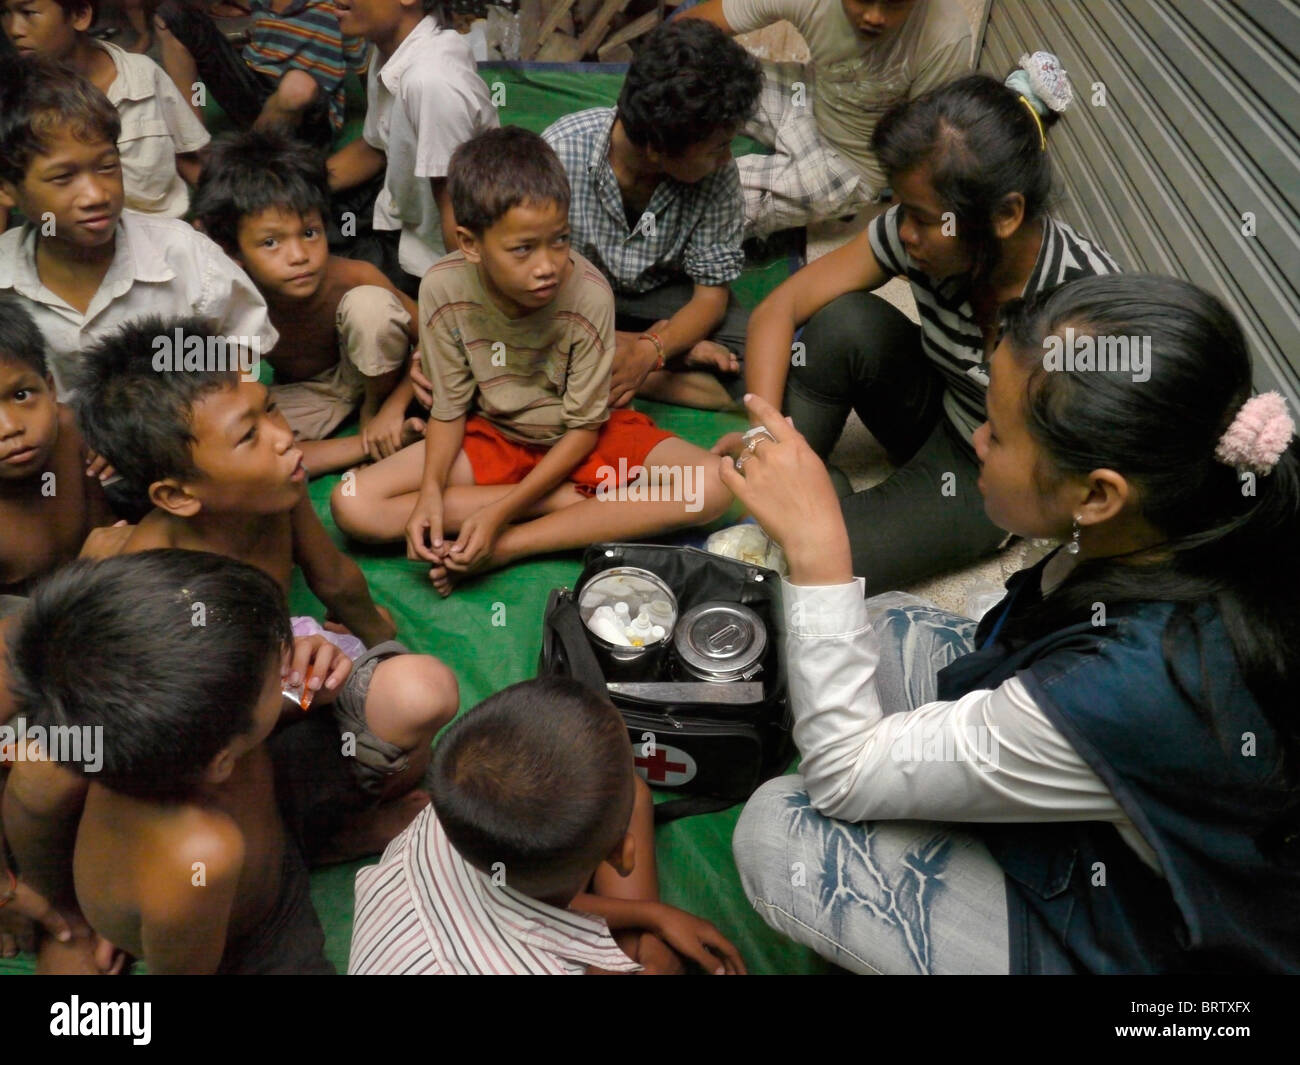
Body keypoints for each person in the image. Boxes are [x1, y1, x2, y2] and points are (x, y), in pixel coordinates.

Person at [725, 273, 1300, 973]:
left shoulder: (1137, 684)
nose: (974, 439)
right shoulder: (1200, 512)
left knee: (781, 828)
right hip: (1123, 807)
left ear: (1098, 495)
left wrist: (818, 551)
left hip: (1158, 948)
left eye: (998, 434)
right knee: (884, 622)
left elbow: (840, 776)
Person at [725, 56, 1119, 592]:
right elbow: (780, 308)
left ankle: (827, 497)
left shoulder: (1081, 312)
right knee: (844, 322)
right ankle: (804, 477)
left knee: (819, 561)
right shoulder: (920, 235)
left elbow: (1082, 472)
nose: (904, 232)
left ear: (1005, 216)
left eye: (924, 220)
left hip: (994, 466)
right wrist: (763, 437)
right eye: (901, 208)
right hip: (939, 401)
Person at [72, 317, 458, 827]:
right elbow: (194, 724)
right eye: (248, 435)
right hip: (229, 730)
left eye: (270, 408)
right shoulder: (157, 579)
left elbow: (334, 578)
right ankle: (334, 834)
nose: (283, 438)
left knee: (417, 707)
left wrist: (381, 643)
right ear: (178, 495)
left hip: (281, 662)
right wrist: (303, 690)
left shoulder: (277, 490)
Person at [330, 127, 733, 596]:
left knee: (712, 487)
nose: (547, 265)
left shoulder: (588, 294)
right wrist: (431, 493)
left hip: (585, 439)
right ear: (470, 243)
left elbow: (584, 430)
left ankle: (515, 542)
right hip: (494, 435)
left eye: (559, 240)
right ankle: (582, 505)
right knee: (353, 504)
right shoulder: (442, 287)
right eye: (523, 248)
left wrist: (500, 517)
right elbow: (449, 410)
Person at [5, 550, 404, 973]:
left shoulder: (116, 727)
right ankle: (325, 839)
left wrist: (308, 683)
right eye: (277, 666)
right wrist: (65, 917)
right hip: (253, 917)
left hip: (262, 819)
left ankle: (331, 838)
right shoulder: (200, 856)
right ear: (221, 759)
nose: (288, 652)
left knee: (410, 698)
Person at [350, 676, 746, 975]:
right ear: (623, 856)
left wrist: (650, 916)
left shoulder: (456, 814)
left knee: (625, 796)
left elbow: (526, 900)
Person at [0, 57, 275, 402]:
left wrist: (196, 397)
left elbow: (247, 346)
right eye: (63, 177)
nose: (96, 195)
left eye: (106, 166)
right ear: (6, 189)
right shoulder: (5, 283)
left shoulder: (184, 255)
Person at [542, 19, 762, 411]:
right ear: (657, 149)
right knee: (515, 325)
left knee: (757, 354)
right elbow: (527, 273)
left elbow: (710, 298)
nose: (727, 158)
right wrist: (659, 346)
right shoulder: (560, 154)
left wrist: (652, 350)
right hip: (572, 297)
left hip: (659, 297)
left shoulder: (718, 176)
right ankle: (659, 361)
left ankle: (610, 365)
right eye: (717, 147)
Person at [194, 128, 424, 476]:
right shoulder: (228, 302)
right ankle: (369, 444)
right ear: (232, 249)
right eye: (271, 242)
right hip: (310, 392)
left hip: (384, 377)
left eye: (309, 233)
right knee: (238, 445)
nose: (299, 256)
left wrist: (393, 405)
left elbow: (436, 338)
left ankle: (374, 414)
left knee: (371, 307)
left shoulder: (354, 276)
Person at [681, 0, 973, 238]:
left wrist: (902, 230)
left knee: (693, 206)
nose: (874, 16)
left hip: (851, 164)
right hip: (805, 94)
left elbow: (922, 151)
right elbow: (689, 30)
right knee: (701, 77)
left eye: (894, 3)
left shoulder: (945, 36)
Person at [326, 0, 497, 296]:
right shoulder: (390, 52)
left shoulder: (430, 81)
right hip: (395, 216)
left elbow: (455, 207)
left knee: (323, 279)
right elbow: (375, 148)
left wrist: (461, 306)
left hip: (427, 257)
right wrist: (295, 187)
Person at [0, 0, 208, 217]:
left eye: (28, 12)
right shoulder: (13, 100)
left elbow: (187, 157)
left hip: (165, 230)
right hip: (75, 237)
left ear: (80, 15)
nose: (14, 29)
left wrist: (214, 217)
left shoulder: (143, 75)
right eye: (4, 13)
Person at [0, 294, 115, 596]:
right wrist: (85, 578)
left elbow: (107, 528)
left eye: (22, 395)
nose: (10, 427)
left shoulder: (70, 430)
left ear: (50, 389)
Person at [153, 0, 368, 148]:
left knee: (297, 85)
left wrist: (379, 119)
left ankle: (244, 159)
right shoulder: (259, 3)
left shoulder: (335, 7)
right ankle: (195, 141)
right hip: (254, 91)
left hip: (306, 114)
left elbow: (364, 66)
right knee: (171, 16)